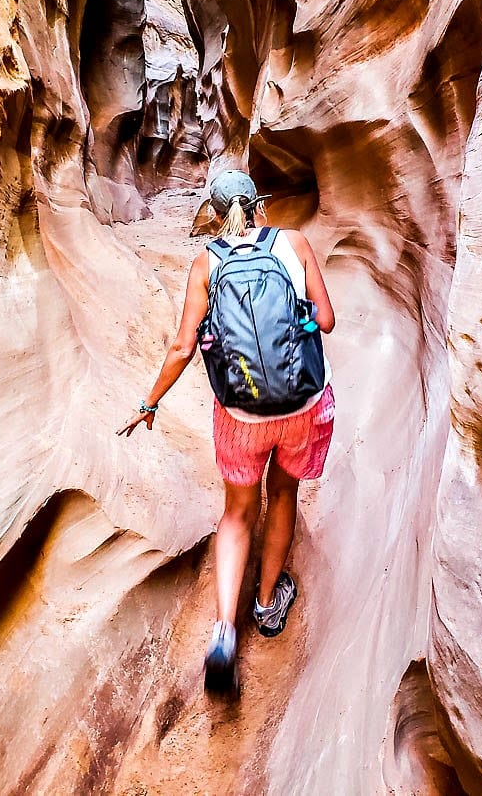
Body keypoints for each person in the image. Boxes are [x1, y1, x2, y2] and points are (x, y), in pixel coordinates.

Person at [117, 170, 335, 693]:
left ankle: (222, 632)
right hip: (304, 404)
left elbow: (183, 347)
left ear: (215, 213)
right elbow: (325, 321)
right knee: (282, 494)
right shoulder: (294, 243)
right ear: (258, 205)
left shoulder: (206, 263)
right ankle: (266, 605)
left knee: (238, 513)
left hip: (239, 416)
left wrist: (149, 403)